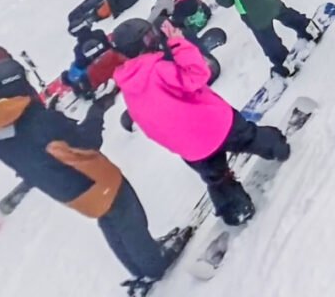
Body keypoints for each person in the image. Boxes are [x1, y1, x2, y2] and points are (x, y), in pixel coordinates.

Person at [0, 51, 171, 295]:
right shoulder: (40, 121)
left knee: (109, 222)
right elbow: (88, 142)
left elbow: (31, 149)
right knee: (129, 219)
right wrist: (97, 112)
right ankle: (154, 265)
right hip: (97, 179)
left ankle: (138, 266)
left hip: (67, 193)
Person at [111, 20, 291, 227]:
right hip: (215, 124)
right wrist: (178, 44)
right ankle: (277, 146)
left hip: (190, 148)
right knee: (248, 137)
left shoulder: (129, 90)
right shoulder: (158, 69)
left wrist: (176, 142)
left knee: (217, 177)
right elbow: (198, 74)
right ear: (143, 43)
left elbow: (149, 126)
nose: (155, 39)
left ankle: (235, 210)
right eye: (150, 36)